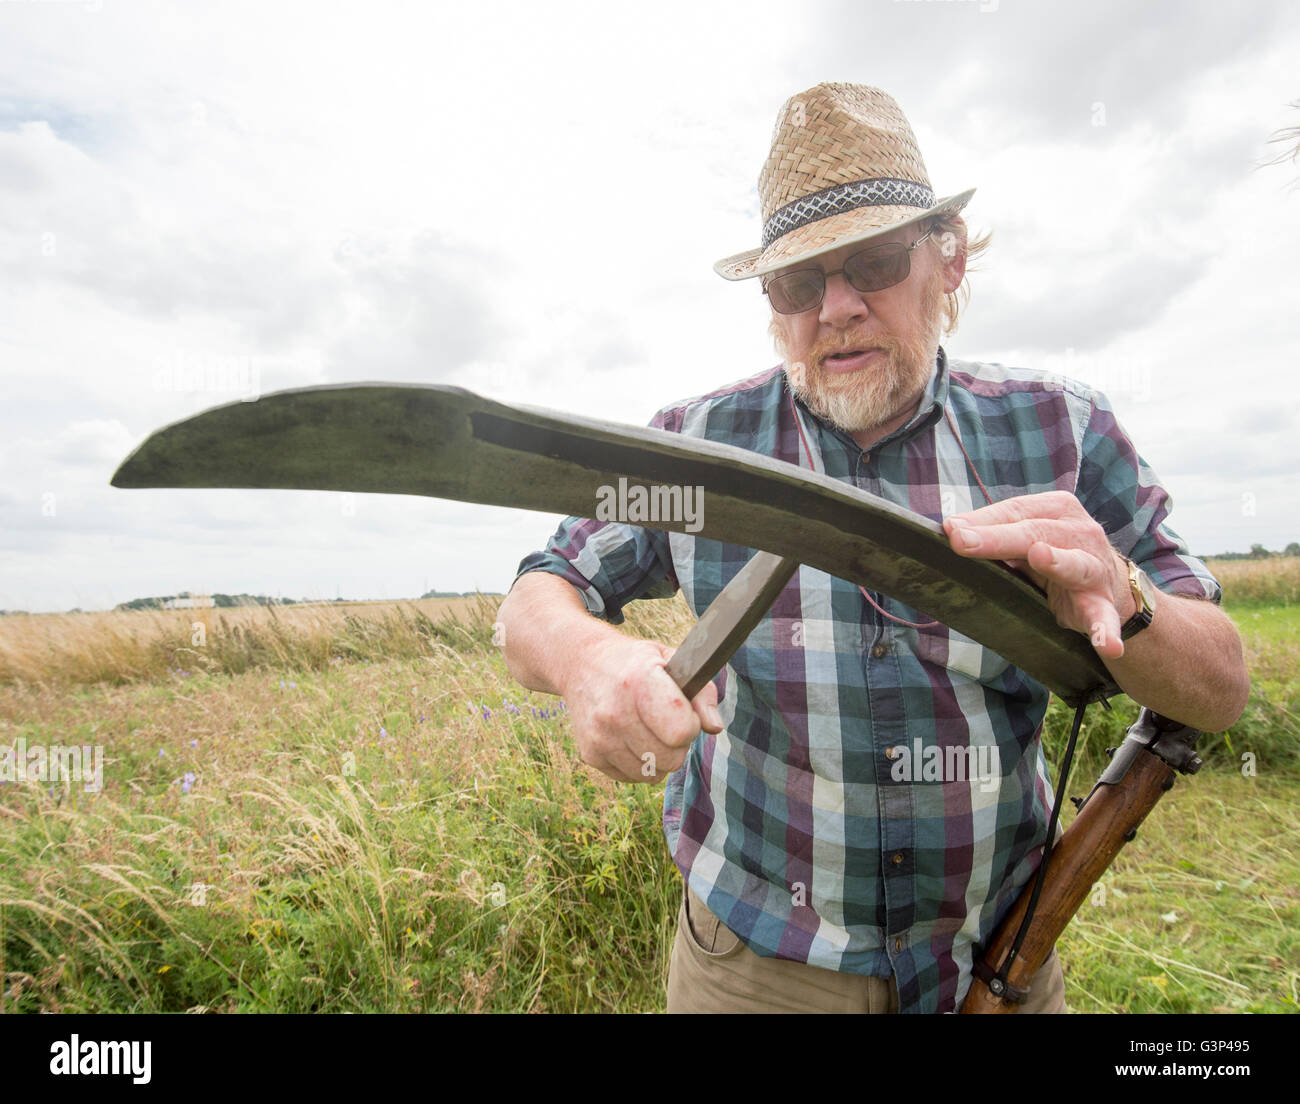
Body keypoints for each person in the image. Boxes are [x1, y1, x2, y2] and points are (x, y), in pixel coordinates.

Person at [496, 83, 1250, 1014]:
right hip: (758, 967)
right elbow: (540, 590)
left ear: (949, 262)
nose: (839, 307)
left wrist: (1127, 599)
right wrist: (587, 659)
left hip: (1002, 963)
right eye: (800, 281)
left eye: (876, 262)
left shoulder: (1061, 431)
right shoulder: (696, 450)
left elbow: (1218, 689)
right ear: (773, 304)